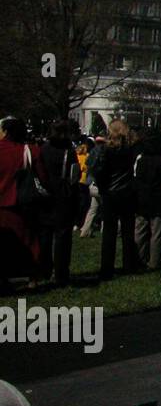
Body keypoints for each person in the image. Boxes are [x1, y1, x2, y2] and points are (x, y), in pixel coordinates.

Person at [0, 117, 47, 292]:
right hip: (23, 201)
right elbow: (42, 177)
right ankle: (32, 277)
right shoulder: (31, 151)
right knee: (29, 240)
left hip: (3, 202)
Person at [35, 120, 80, 288]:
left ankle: (45, 268)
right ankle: (61, 273)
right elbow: (74, 173)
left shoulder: (44, 149)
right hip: (63, 192)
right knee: (62, 236)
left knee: (45, 234)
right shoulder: (68, 150)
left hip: (47, 192)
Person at [95, 120, 142, 281]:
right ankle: (129, 265)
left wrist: (103, 188)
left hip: (110, 193)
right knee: (128, 233)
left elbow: (101, 171)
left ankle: (106, 268)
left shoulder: (106, 150)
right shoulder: (131, 149)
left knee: (109, 233)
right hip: (127, 192)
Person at [133, 130, 161, 271]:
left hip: (142, 199)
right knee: (157, 233)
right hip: (158, 200)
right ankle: (154, 261)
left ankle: (139, 258)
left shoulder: (141, 160)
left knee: (141, 231)